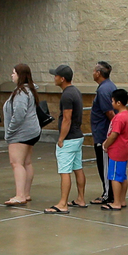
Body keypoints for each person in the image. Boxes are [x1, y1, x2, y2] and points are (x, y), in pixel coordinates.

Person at [47, 65, 88, 214]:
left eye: (56, 75)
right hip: (78, 136)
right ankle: (80, 199)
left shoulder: (66, 95)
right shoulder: (75, 91)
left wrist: (61, 139)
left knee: (65, 171)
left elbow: (67, 119)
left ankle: (62, 203)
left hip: (69, 138)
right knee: (78, 168)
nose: (54, 78)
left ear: (62, 78)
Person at [2, 64, 42, 205]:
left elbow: (19, 114)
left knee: (16, 163)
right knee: (27, 162)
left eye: (14, 73)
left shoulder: (21, 92)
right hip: (31, 131)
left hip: (21, 133)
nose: (12, 75)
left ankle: (20, 195)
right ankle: (25, 193)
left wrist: (10, 131)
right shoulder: (30, 90)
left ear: (20, 75)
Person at [90, 61, 118, 206]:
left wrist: (115, 131)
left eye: (94, 70)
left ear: (99, 73)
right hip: (103, 133)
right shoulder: (109, 86)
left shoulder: (103, 90)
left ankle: (108, 194)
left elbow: (110, 112)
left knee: (105, 165)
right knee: (107, 165)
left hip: (103, 135)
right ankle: (110, 193)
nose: (92, 73)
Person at [100, 88, 128, 211]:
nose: (111, 103)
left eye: (112, 101)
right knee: (122, 176)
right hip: (124, 149)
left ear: (118, 103)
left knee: (114, 177)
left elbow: (114, 134)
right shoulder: (126, 114)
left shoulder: (119, 118)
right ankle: (122, 200)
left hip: (117, 151)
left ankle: (116, 202)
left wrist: (106, 144)